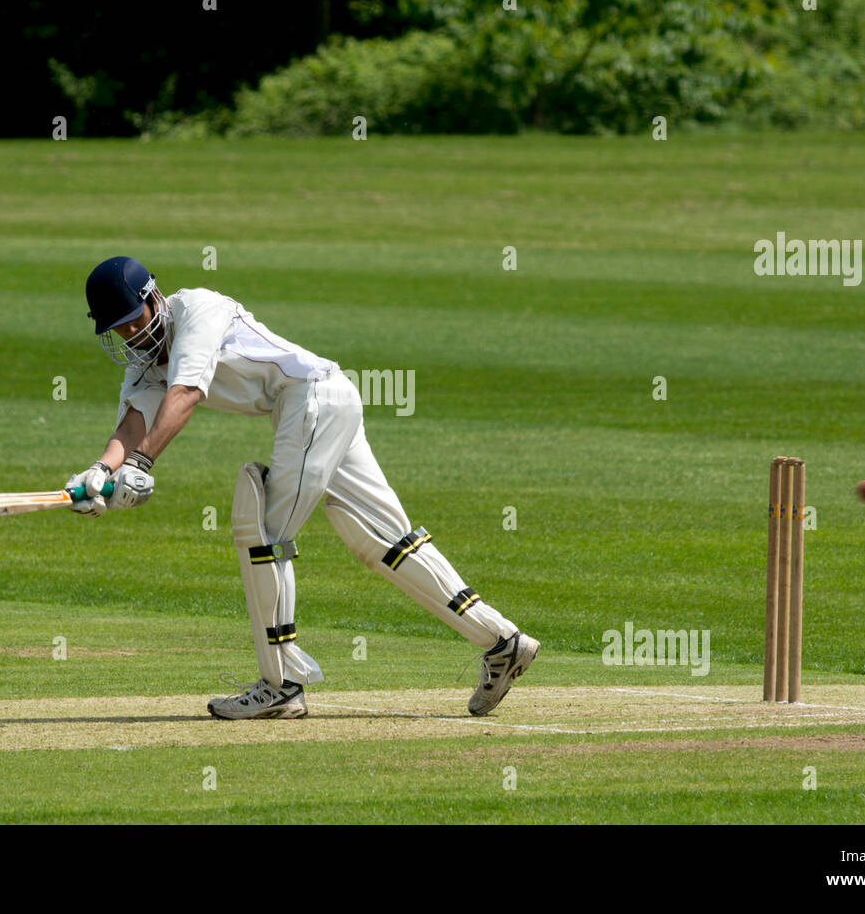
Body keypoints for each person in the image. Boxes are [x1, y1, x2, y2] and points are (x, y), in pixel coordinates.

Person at [67, 256, 539, 719]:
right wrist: (100, 475)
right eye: (119, 329)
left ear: (153, 299)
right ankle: (503, 641)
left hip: (311, 401)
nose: (131, 334)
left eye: (134, 320)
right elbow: (132, 423)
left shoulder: (197, 310)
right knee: (384, 541)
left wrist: (143, 463)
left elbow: (185, 393)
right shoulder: (147, 362)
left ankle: (281, 685)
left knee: (262, 534)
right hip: (322, 405)